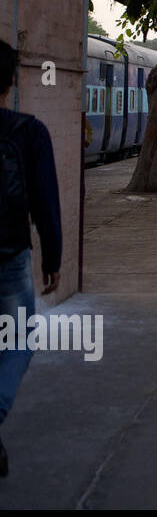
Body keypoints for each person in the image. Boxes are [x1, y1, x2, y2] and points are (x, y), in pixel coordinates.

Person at [0, 40, 61, 478]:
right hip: (8, 255)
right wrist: (52, 258)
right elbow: (45, 203)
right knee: (17, 339)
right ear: (12, 81)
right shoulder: (27, 131)